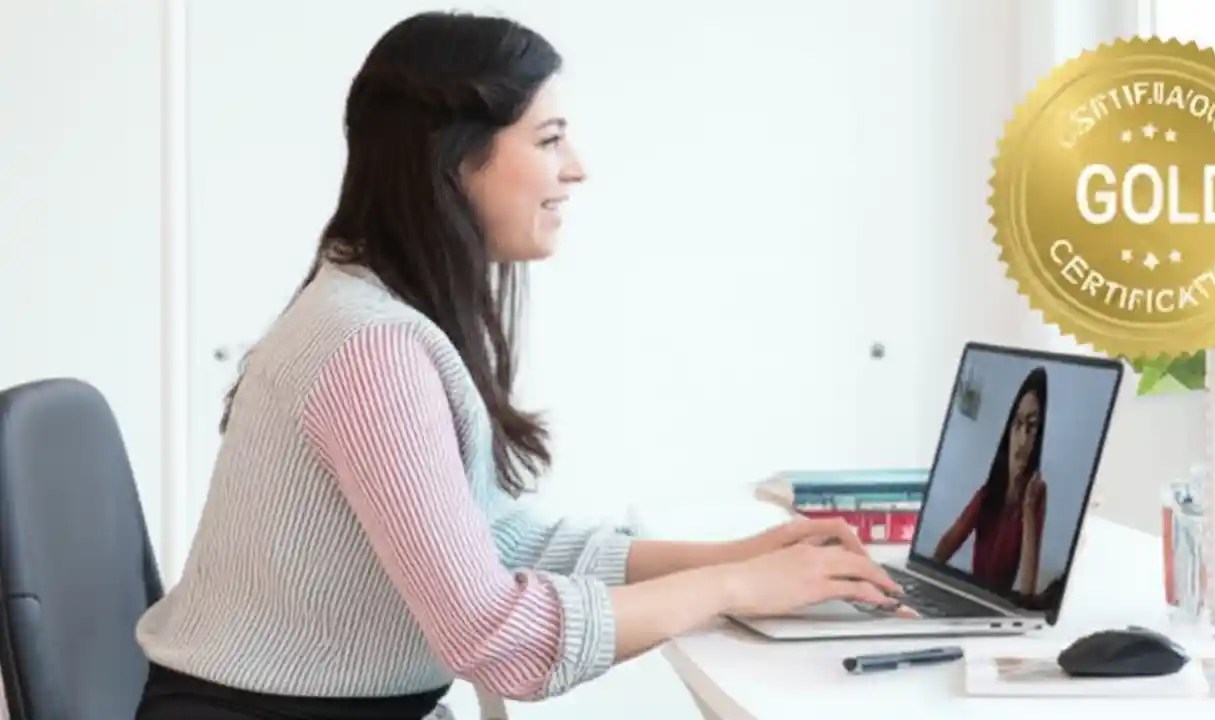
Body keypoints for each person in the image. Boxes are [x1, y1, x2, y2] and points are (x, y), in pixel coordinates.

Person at [132, 11, 909, 720]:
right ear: (454, 161)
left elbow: (499, 540)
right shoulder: (371, 350)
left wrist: (734, 560)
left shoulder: (383, 309)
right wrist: (733, 589)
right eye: (548, 140)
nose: (577, 168)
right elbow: (498, 640)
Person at [932, 366, 1049, 598]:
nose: (1023, 438)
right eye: (1018, 424)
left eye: (1033, 426)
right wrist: (926, 574)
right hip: (973, 594)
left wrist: (1027, 508)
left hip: (999, 600)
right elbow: (950, 540)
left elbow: (1027, 591)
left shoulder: (1037, 493)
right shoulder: (990, 490)